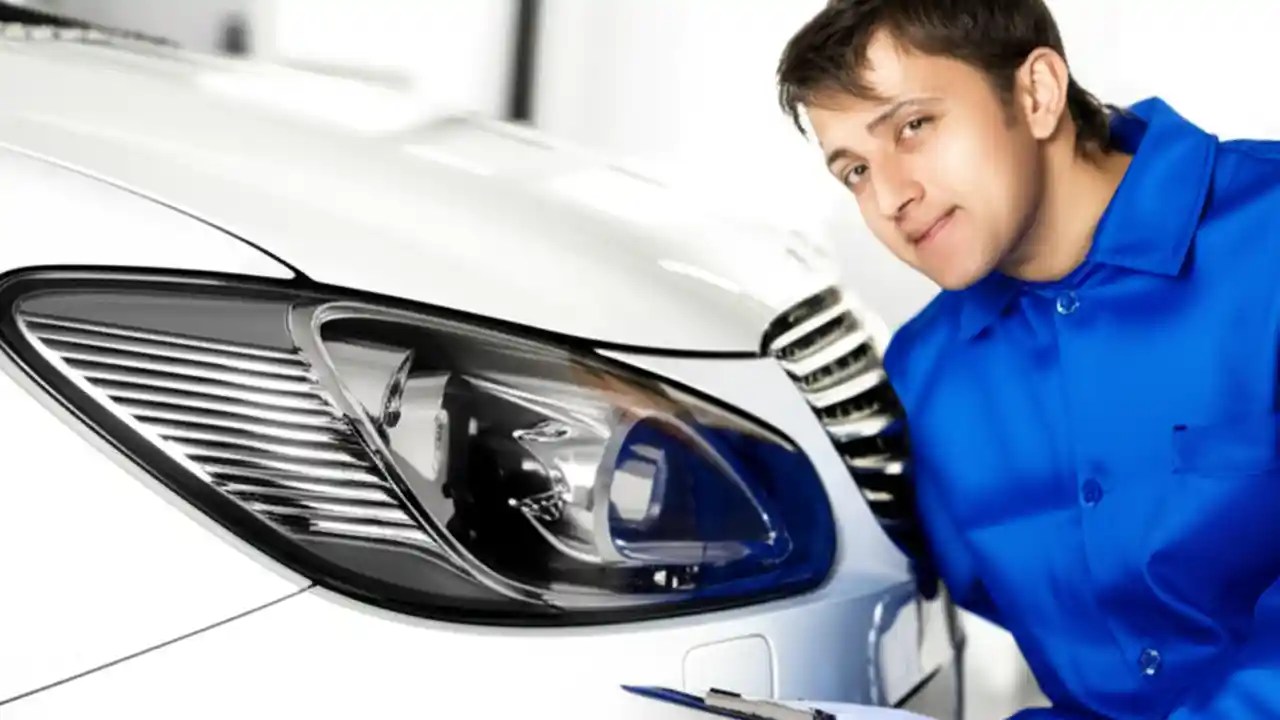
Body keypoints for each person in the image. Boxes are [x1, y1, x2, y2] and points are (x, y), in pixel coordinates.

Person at [776, 1, 1280, 719]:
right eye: (855, 170)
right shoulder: (926, 378)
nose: (889, 198)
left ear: (1037, 94)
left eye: (913, 127)